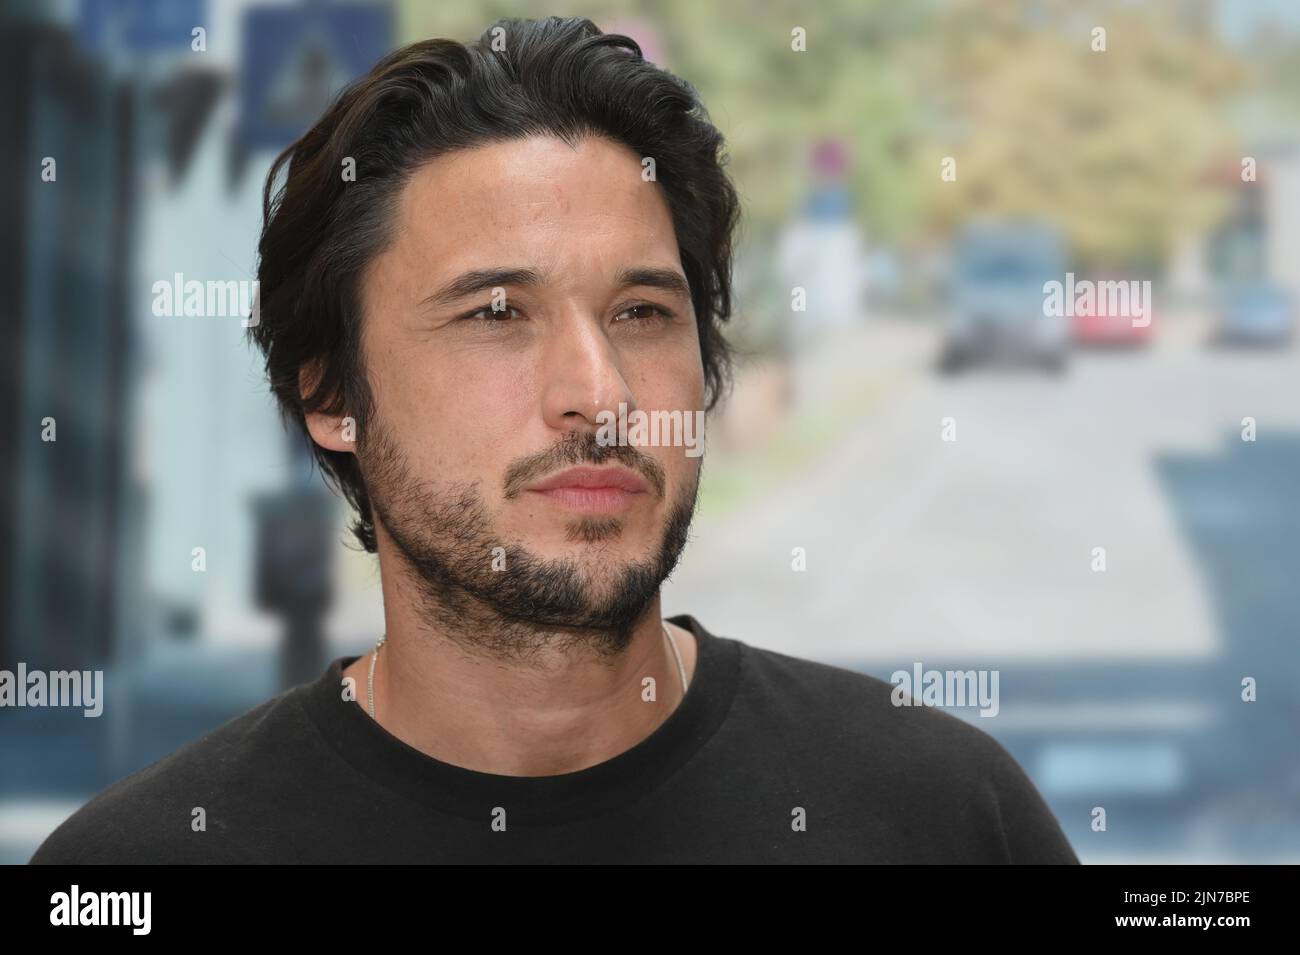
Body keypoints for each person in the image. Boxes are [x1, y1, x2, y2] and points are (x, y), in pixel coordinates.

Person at [30, 16, 1078, 864]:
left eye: (642, 312)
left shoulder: (939, 817)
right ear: (330, 392)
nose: (599, 394)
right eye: (495, 313)